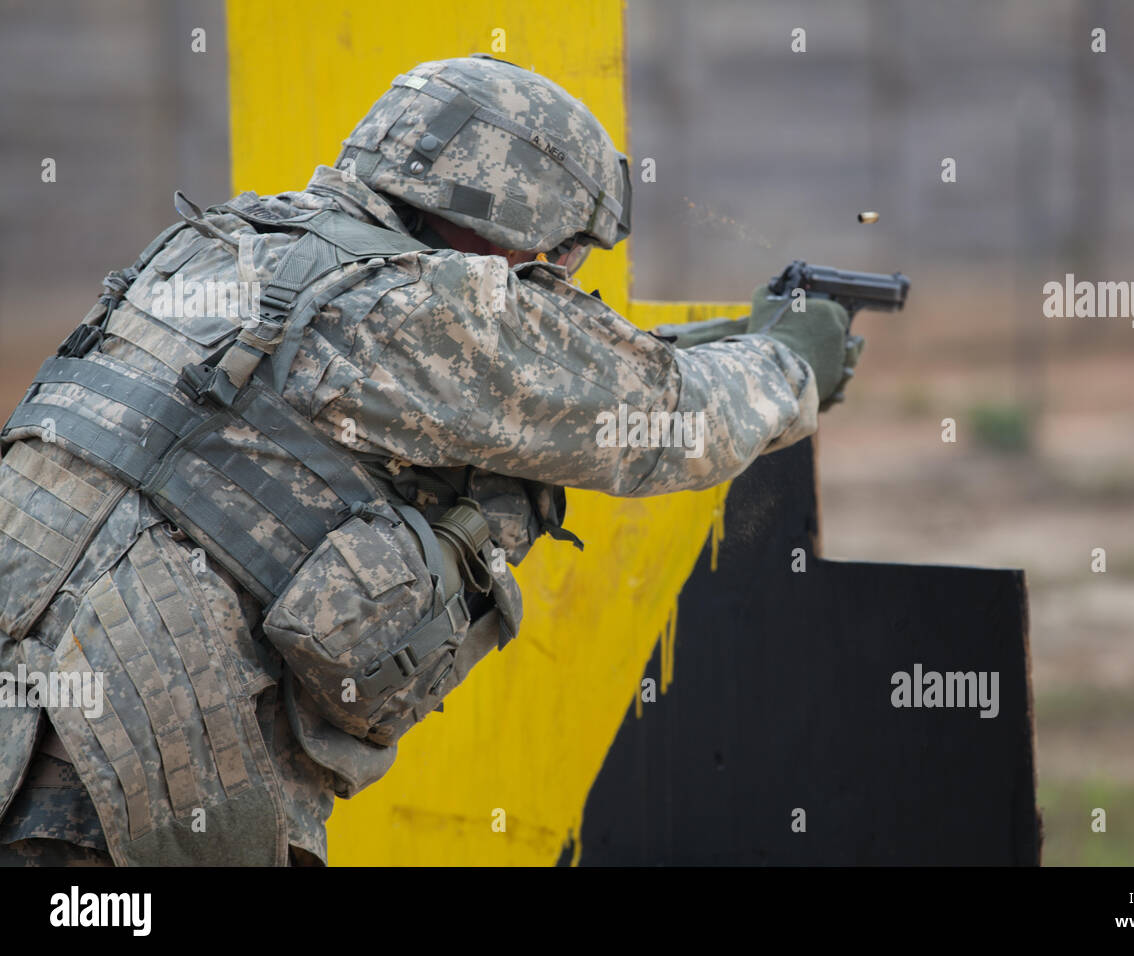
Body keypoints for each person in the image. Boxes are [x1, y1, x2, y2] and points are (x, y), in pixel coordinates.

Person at [0, 55, 858, 866]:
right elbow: (678, 419)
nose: (556, 280)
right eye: (562, 259)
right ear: (518, 221)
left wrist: (671, 345)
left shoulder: (207, 250)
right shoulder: (437, 306)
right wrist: (796, 363)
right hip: (119, 804)